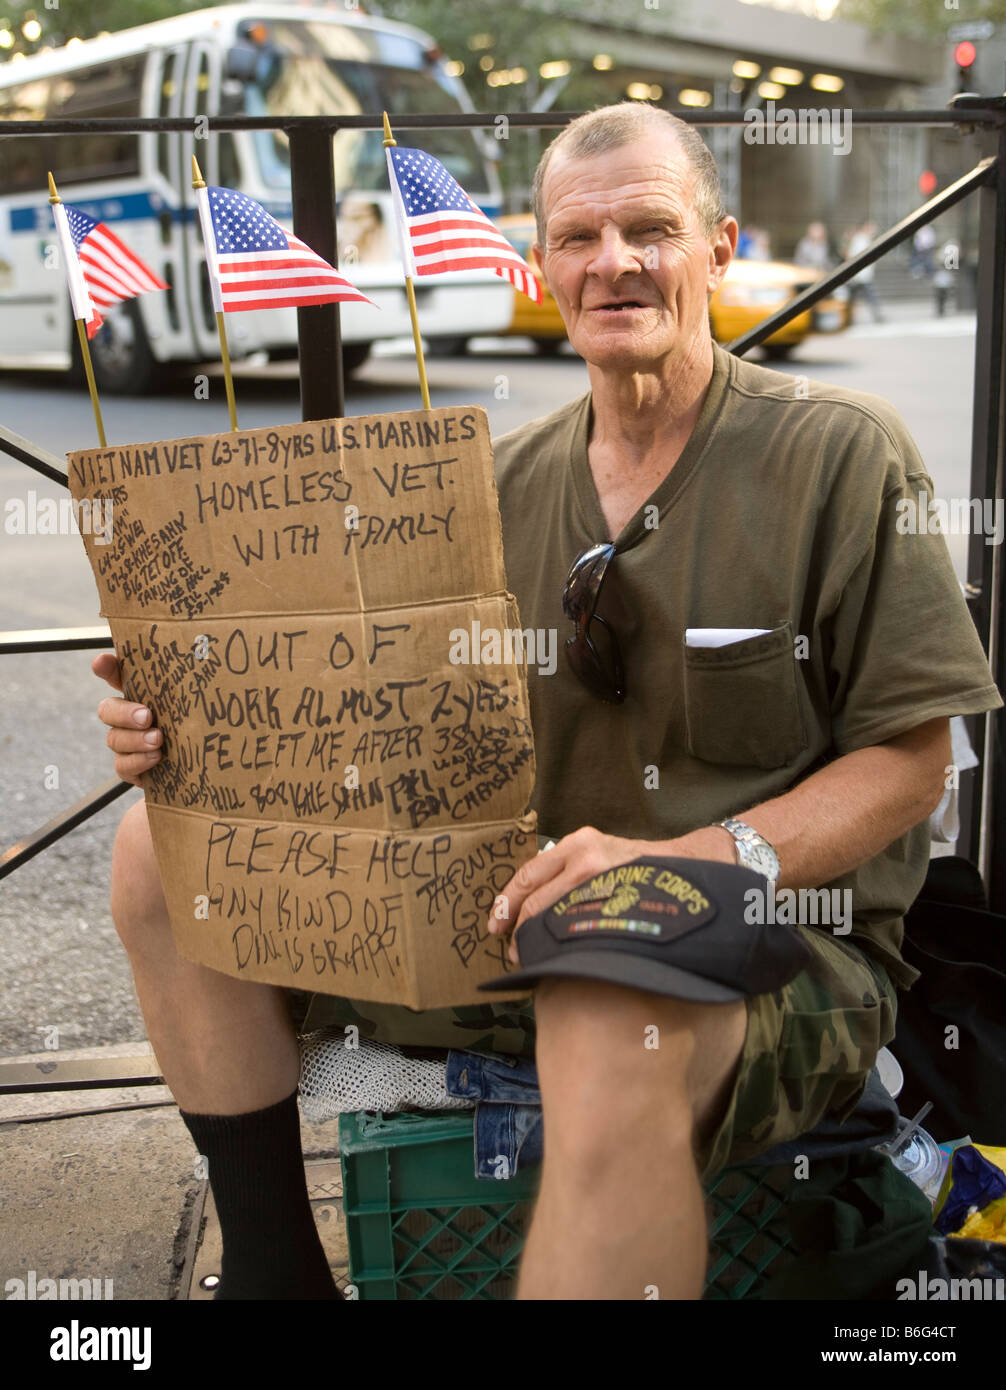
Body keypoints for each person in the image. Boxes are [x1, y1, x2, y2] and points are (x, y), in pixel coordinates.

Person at [94, 103, 1001, 1301]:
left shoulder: (839, 453)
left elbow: (912, 760)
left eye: (650, 229)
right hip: (504, 913)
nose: (613, 262)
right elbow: (367, 726)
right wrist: (186, 728)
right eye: (578, 237)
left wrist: (690, 859)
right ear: (541, 268)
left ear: (720, 247)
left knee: (609, 984)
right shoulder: (488, 487)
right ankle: (274, 1272)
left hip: (774, 951)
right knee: (157, 849)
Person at [846, 219, 885, 322]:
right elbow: (852, 256)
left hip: (863, 275)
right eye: (872, 227)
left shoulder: (865, 239)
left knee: (855, 297)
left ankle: (849, 317)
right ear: (866, 227)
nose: (874, 230)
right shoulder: (860, 240)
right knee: (870, 297)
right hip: (860, 276)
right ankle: (877, 317)